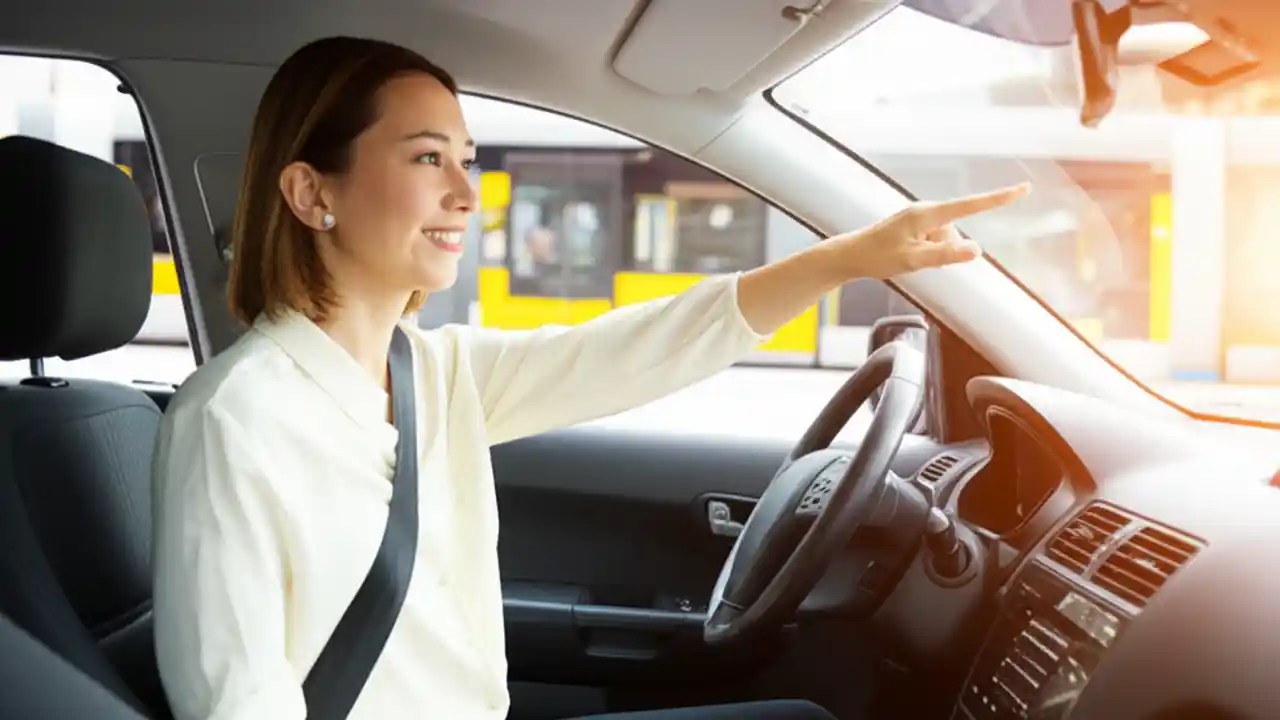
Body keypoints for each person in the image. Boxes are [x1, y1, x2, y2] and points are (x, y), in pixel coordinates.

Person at [150, 36, 1028, 720]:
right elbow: (238, 704)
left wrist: (847, 258)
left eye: (466, 159)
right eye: (426, 158)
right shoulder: (232, 421)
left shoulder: (435, 373)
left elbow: (637, 349)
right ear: (312, 194)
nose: (467, 193)